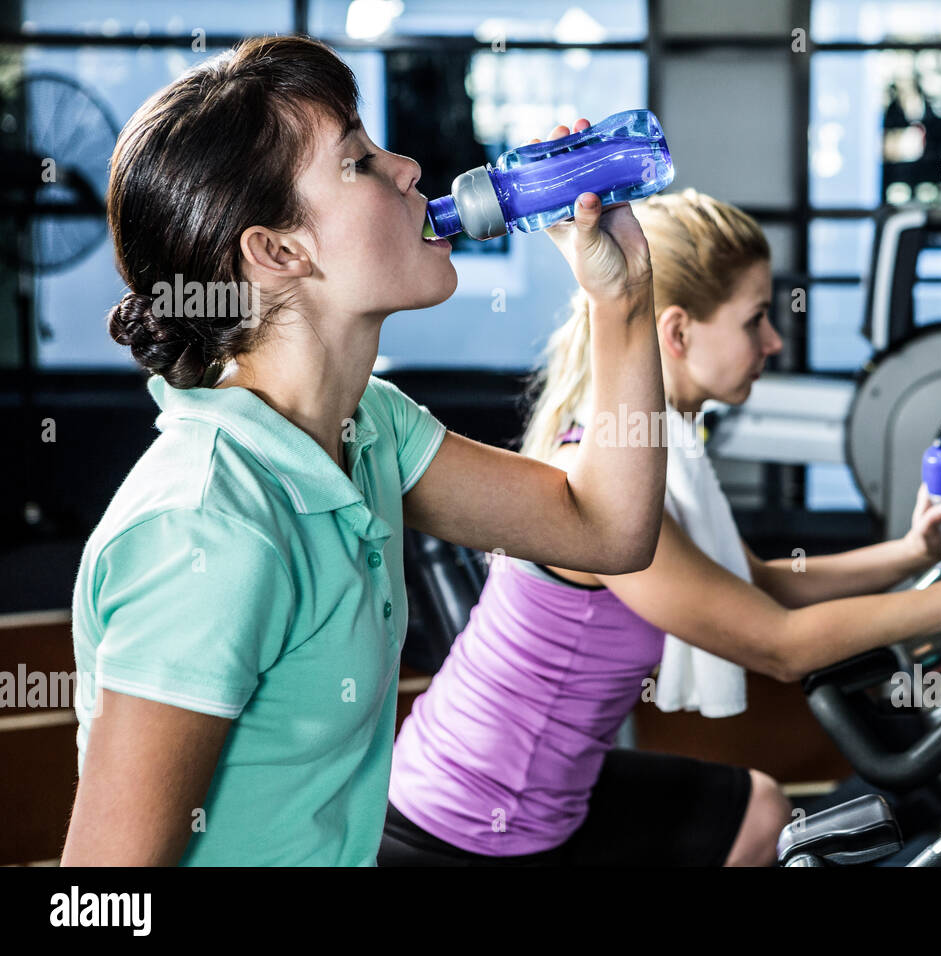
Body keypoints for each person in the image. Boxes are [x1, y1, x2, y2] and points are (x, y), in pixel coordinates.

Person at [61, 35, 666, 866]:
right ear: (278, 251)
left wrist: (623, 297)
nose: (410, 165)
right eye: (359, 161)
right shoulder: (206, 528)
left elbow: (607, 530)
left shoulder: (368, 427)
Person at [381, 189, 941, 866]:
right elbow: (779, 646)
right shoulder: (606, 484)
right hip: (469, 823)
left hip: (547, 786)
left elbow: (755, 583)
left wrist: (913, 553)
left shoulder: (653, 456)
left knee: (760, 811)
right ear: (677, 332)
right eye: (755, 318)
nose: (773, 344)